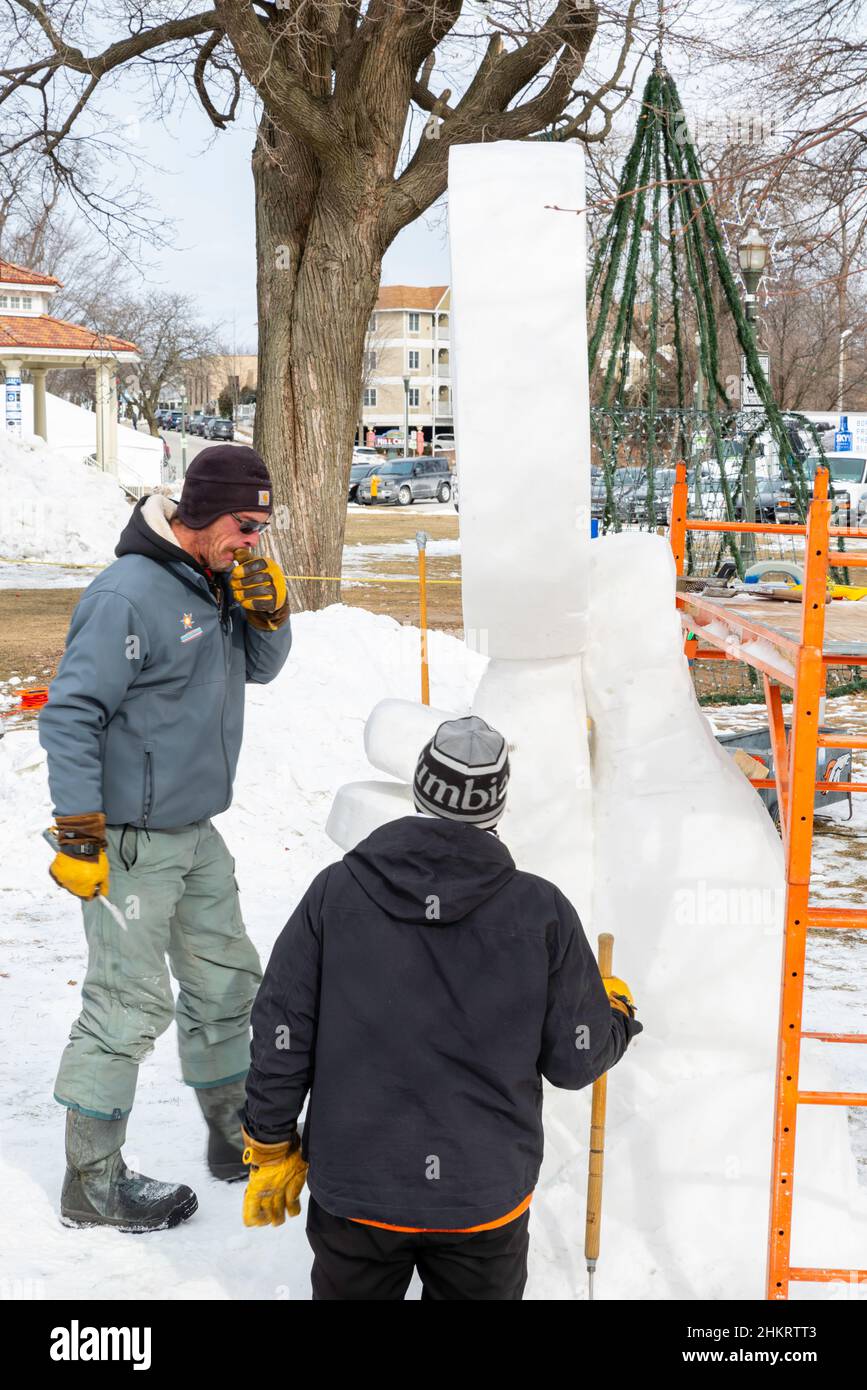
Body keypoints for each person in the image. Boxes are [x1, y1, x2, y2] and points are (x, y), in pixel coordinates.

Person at [239, 715, 642, 1300]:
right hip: (480, 1195)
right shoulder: (541, 912)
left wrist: (271, 1142)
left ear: (422, 790)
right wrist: (613, 1018)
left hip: (359, 1187)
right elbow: (575, 1061)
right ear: (495, 808)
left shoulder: (337, 891)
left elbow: (282, 1028)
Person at [39, 445, 293, 1233]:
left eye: (262, 529)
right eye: (246, 527)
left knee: (226, 983)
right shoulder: (127, 595)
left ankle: (232, 1137)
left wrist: (270, 613)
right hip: (131, 839)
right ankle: (93, 1180)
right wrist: (81, 829)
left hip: (195, 828)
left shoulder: (217, 580)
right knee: (128, 1004)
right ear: (204, 514)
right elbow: (71, 712)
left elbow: (260, 669)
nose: (253, 541)